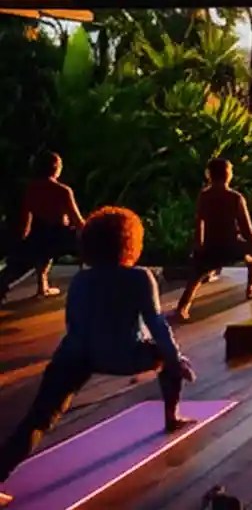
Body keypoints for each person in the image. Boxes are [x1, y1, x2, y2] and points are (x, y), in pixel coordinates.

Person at [0, 207, 197, 506]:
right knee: (166, 356)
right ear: (130, 242)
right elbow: (157, 324)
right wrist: (176, 360)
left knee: (38, 419)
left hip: (75, 355)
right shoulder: (140, 277)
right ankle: (172, 416)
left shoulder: (81, 280)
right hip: (122, 356)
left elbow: (74, 325)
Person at [176, 159, 252, 321]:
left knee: (195, 279)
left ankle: (183, 307)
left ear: (210, 175)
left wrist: (198, 246)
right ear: (228, 175)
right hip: (231, 245)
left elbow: (199, 222)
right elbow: (245, 226)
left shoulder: (205, 196)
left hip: (210, 245)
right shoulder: (235, 197)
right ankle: (251, 287)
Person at [0, 151, 84, 302]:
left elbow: (26, 219)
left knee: (27, 258)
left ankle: (41, 286)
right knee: (82, 246)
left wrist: (22, 239)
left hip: (39, 233)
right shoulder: (62, 190)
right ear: (56, 168)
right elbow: (76, 219)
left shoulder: (31, 189)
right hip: (60, 234)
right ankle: (92, 282)